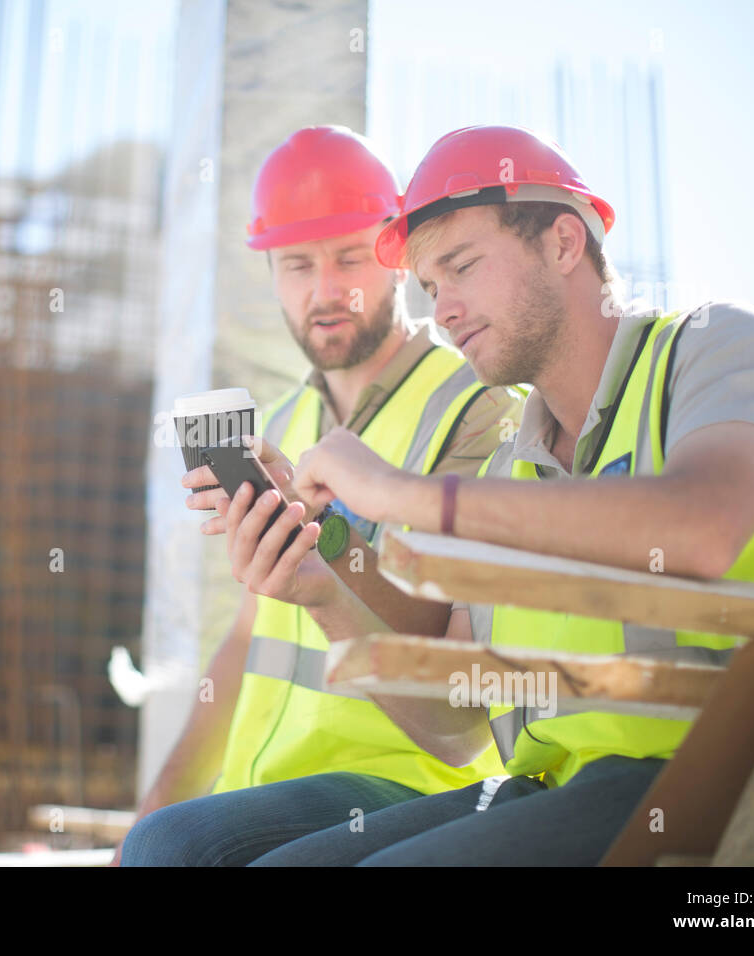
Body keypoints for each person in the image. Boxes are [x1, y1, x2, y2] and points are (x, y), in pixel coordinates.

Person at [247, 124, 754, 865]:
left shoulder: (719, 344)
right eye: (431, 287)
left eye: (463, 267)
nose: (441, 309)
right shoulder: (516, 468)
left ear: (565, 243)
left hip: (729, 772)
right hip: (557, 789)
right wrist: (323, 577)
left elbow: (701, 527)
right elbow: (456, 721)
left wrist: (401, 493)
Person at [115, 126, 524, 866]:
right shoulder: (278, 426)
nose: (325, 290)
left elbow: (458, 668)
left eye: (348, 257)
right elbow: (247, 640)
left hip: (409, 784)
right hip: (263, 793)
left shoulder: (478, 405)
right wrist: (156, 805)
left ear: (396, 256)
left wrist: (333, 548)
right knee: (161, 842)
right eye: (298, 264)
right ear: (272, 274)